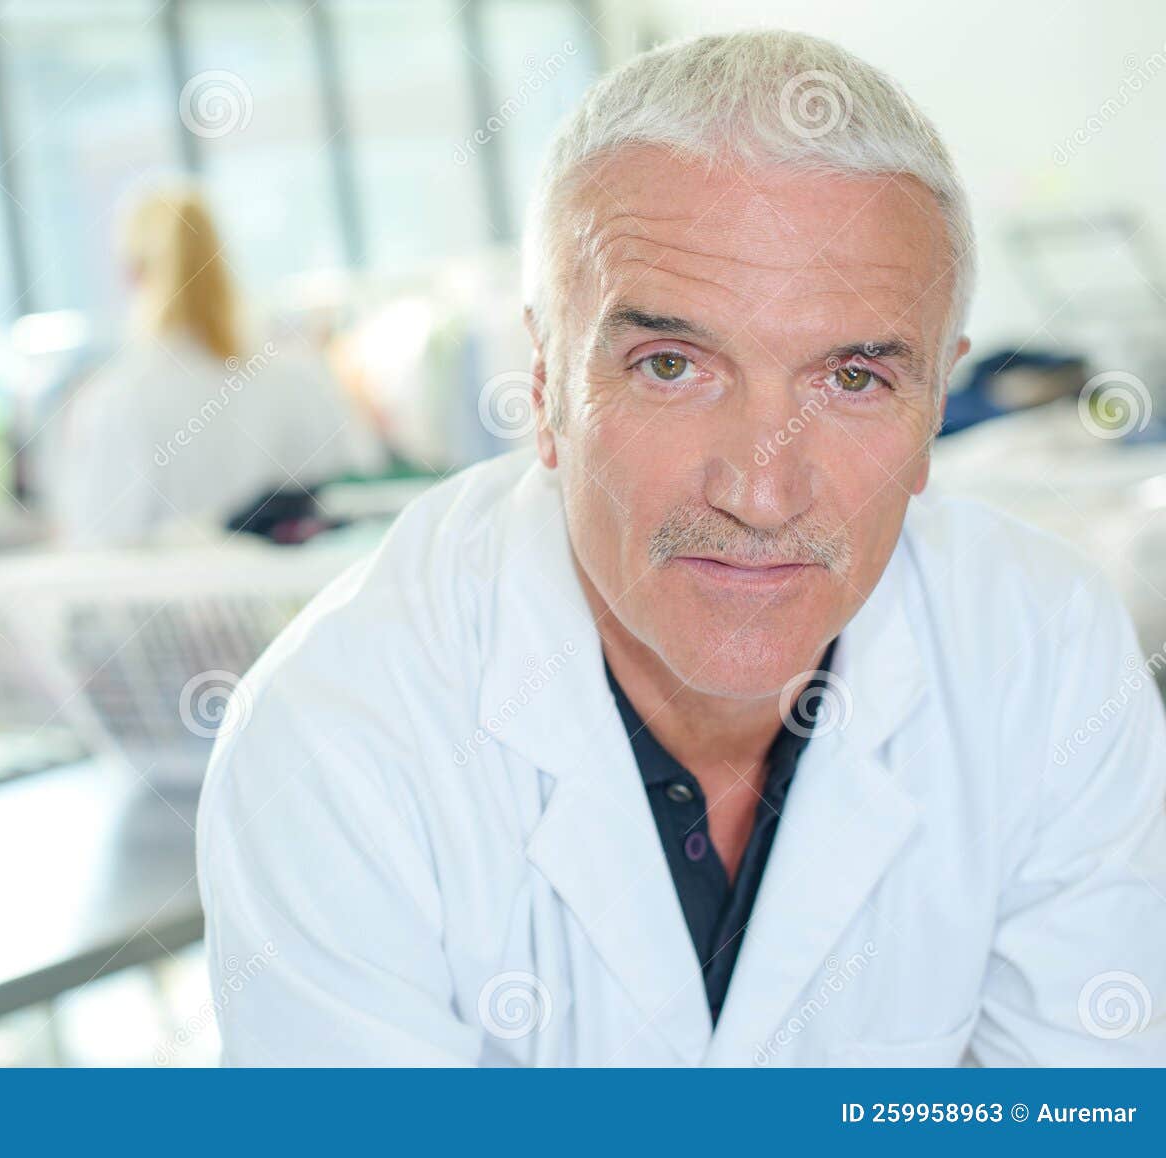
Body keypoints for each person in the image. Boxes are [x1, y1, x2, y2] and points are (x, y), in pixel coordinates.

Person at [196, 31, 1166, 1065]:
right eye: (670, 366)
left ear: (935, 403)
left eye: (851, 380)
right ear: (542, 383)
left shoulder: (1045, 652)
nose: (759, 490)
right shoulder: (339, 734)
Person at [48, 185, 381, 546]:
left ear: (132, 273)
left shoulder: (116, 401)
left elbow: (96, 541)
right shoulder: (298, 375)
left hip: (171, 599)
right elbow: (358, 474)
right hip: (303, 597)